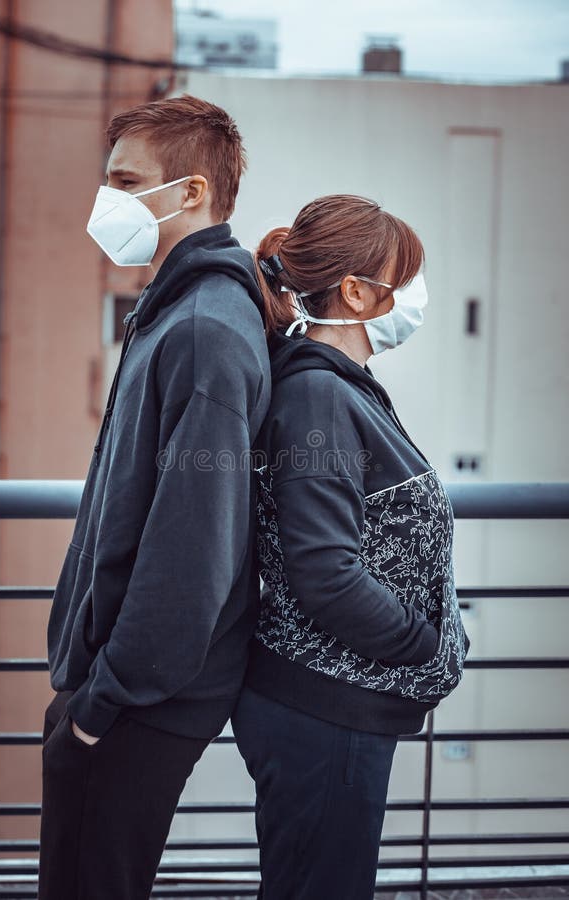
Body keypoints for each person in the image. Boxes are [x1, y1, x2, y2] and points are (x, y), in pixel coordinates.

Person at [38, 95, 271, 900]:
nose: (107, 200)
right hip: (120, 687)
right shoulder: (177, 312)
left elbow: (191, 554)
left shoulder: (205, 329)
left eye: (127, 182)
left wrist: (99, 707)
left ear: (193, 193)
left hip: (137, 700)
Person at [231, 194, 470, 900]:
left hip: (335, 709)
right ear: (359, 293)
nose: (417, 294)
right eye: (407, 277)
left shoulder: (341, 390)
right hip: (324, 714)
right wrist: (426, 649)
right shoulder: (319, 397)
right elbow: (326, 574)